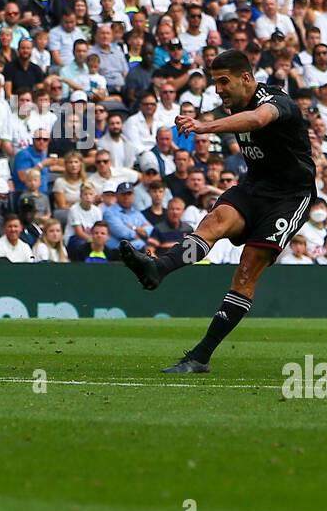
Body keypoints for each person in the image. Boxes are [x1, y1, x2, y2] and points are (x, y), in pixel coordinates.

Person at [119, 49, 316, 373]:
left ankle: (200, 356)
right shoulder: (232, 105)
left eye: (224, 81)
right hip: (255, 187)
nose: (219, 89)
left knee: (248, 266)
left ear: (247, 78)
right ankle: (158, 269)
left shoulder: (275, 99)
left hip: (290, 197)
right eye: (215, 82)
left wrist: (202, 126)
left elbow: (257, 119)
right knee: (216, 220)